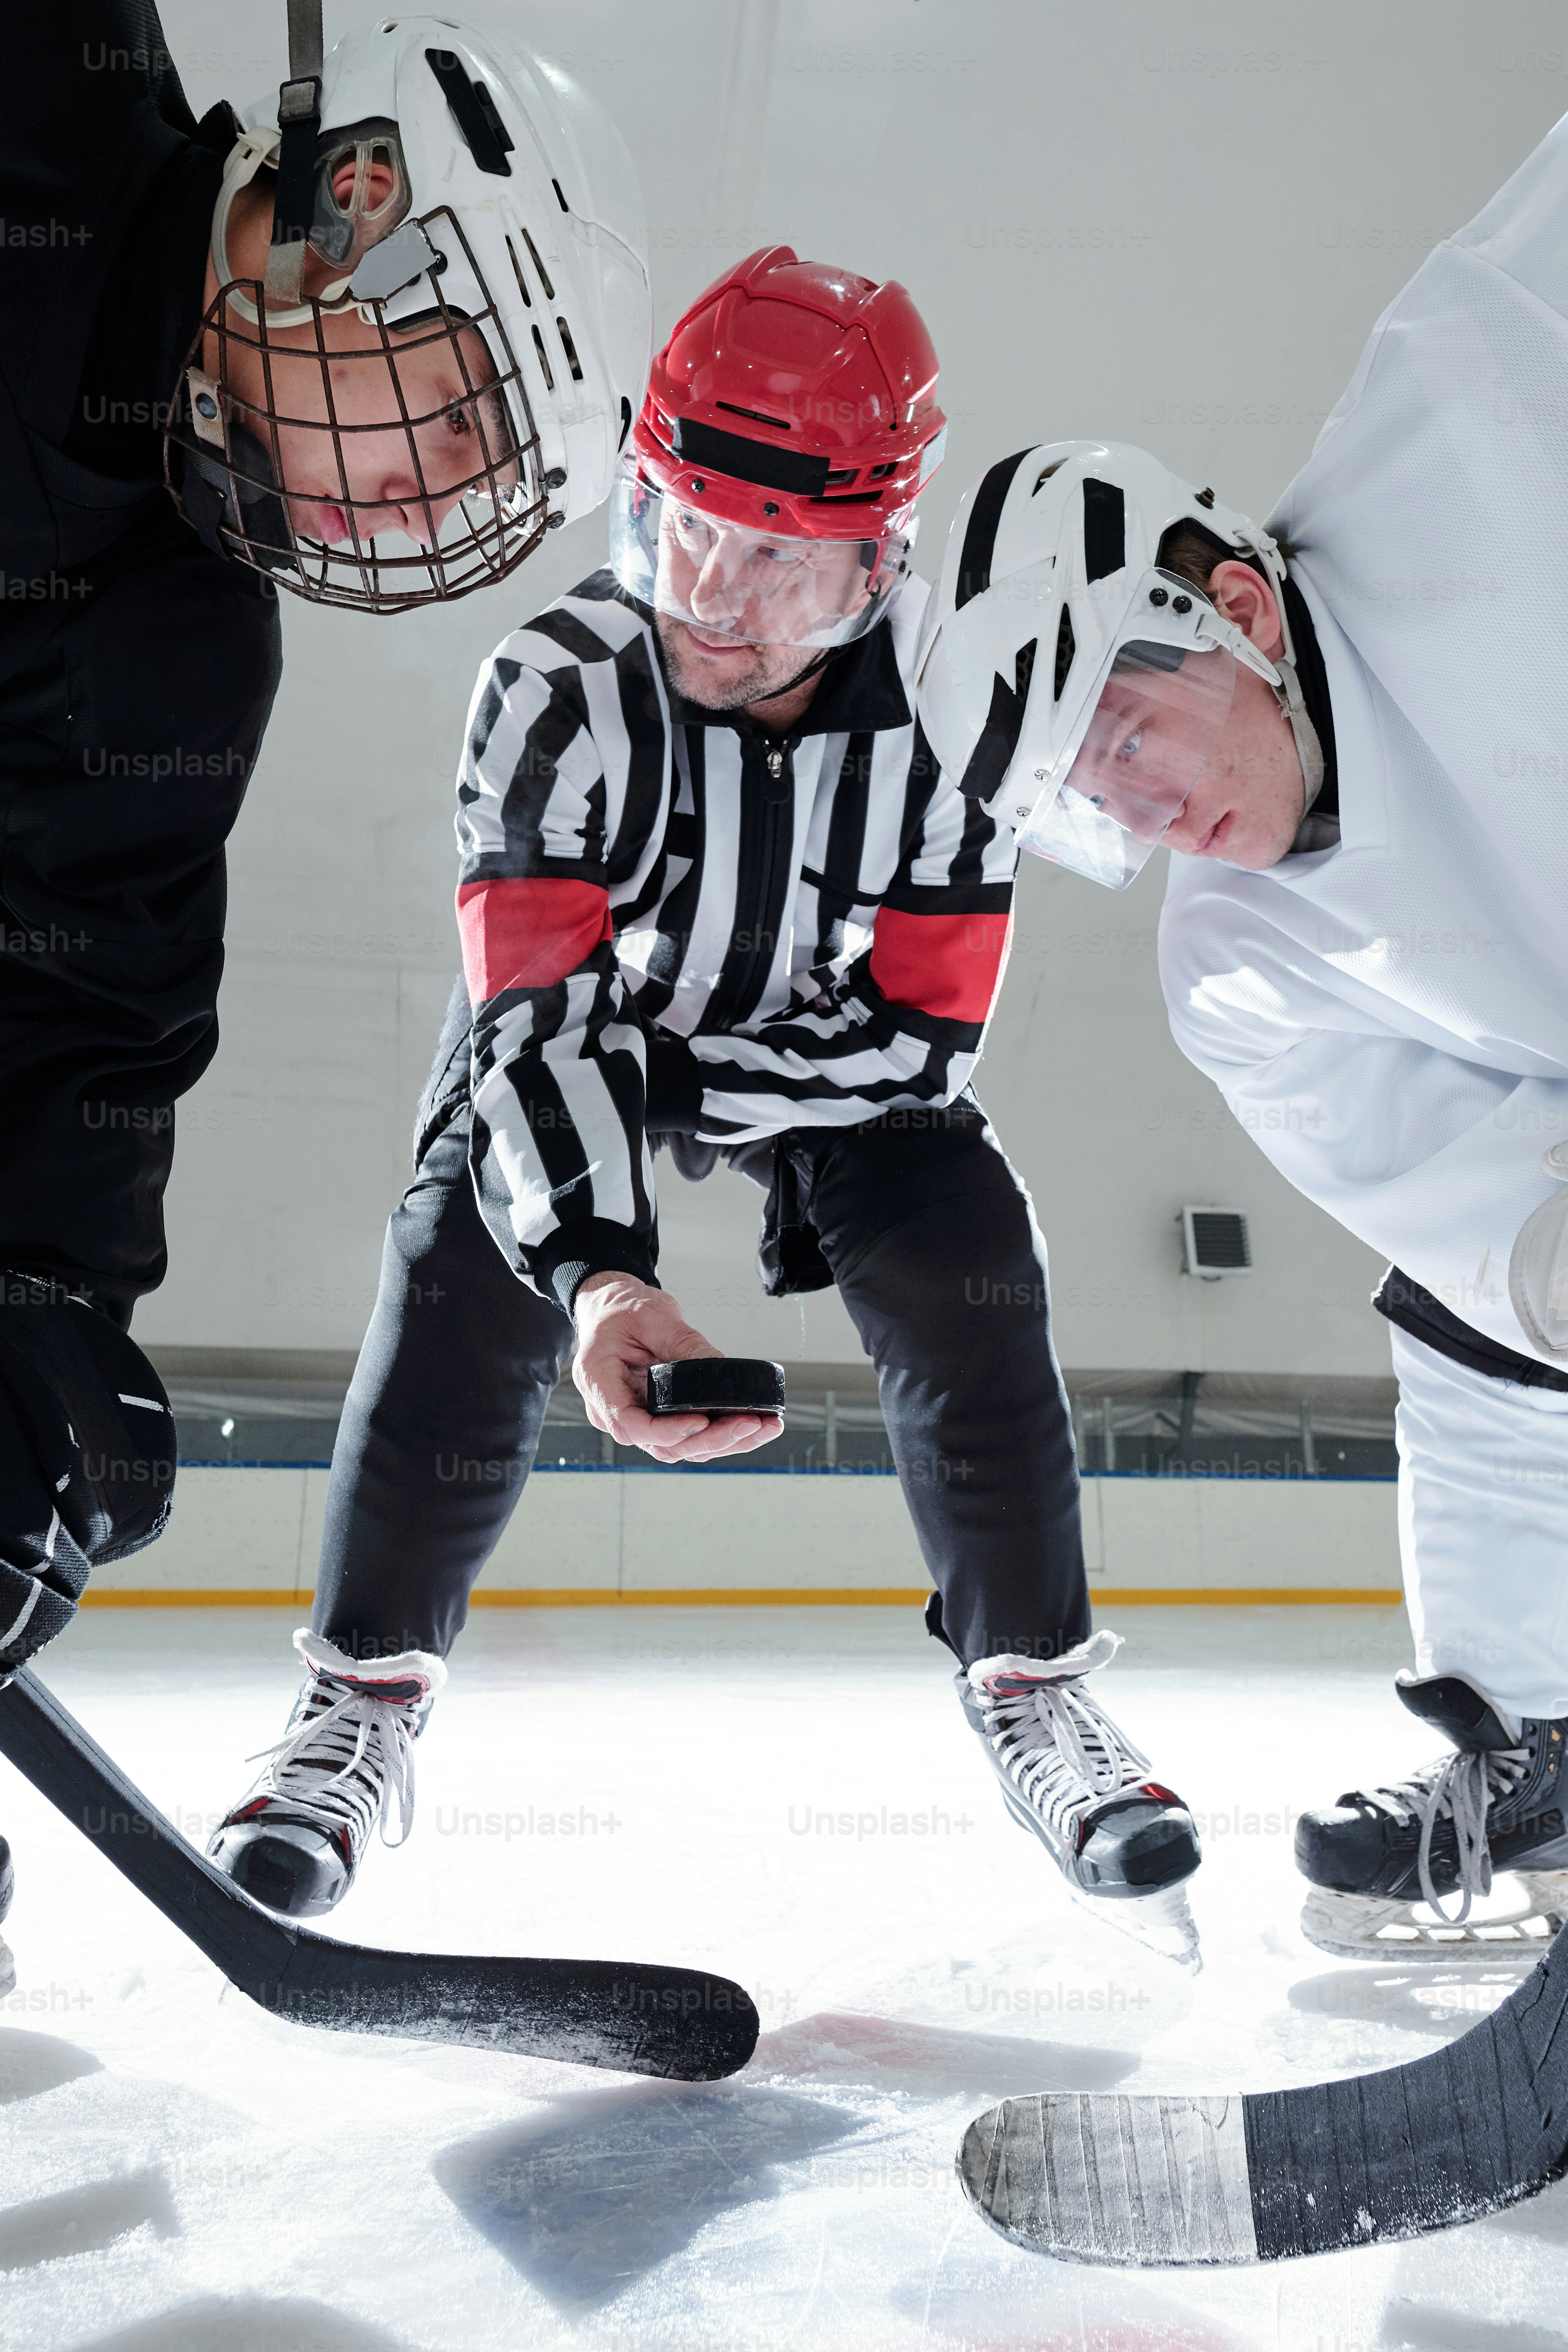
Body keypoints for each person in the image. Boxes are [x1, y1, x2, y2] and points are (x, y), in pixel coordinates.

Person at [207, 247, 1204, 1968]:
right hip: (610, 1027)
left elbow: (924, 1046)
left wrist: (734, 1102)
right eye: (683, 520)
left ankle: (1033, 1681)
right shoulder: (553, 684)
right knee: (463, 1237)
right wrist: (601, 1269)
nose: (711, 588)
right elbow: (533, 1011)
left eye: (776, 554)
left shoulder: (956, 716)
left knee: (972, 1249)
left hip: (831, 1058)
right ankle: (356, 1703)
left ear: (878, 558)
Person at [0, 0, 649, 1942]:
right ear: (348, 204)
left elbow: (80, 1010)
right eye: (453, 412)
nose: (422, 503)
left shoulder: (173, 633)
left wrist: (41, 1340)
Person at [916, 107, 1568, 1961]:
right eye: (1082, 805)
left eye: (1127, 739)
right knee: (1472, 1312)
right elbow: (1498, 1235)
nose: (1137, 815)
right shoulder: (1242, 972)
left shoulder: (1482, 408)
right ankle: (1533, 1739)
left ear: (1237, 609)